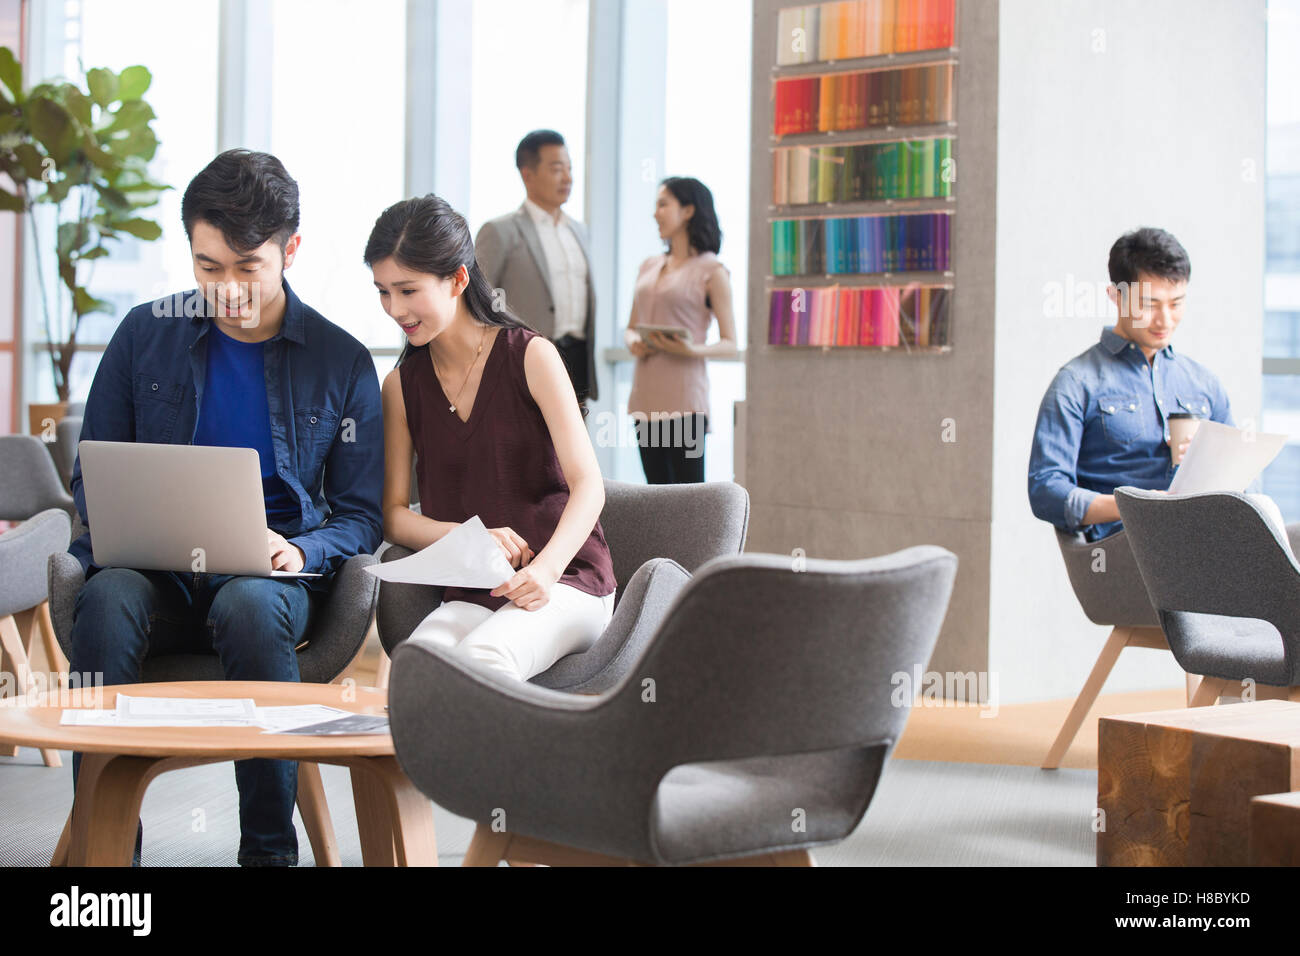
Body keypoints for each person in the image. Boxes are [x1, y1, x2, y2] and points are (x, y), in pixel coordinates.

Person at [67, 149, 384, 866]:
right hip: (155, 573)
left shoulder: (340, 360)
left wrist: (301, 551)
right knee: (107, 596)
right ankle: (104, 852)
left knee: (248, 602)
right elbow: (94, 472)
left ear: (290, 251)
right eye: (209, 268)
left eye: (249, 269)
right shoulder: (143, 335)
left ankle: (268, 853)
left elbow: (363, 516)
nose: (229, 290)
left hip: (270, 580)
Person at [370, 194, 617, 682]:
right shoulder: (401, 386)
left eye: (407, 290)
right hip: (476, 588)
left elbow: (590, 484)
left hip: (568, 581)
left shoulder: (531, 356)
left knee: (483, 663)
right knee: (411, 673)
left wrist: (543, 572)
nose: (394, 309)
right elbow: (395, 516)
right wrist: (466, 536)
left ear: (458, 279)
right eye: (382, 291)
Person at [1028, 226, 1239, 541]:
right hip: (1125, 547)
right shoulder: (1076, 383)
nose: (1164, 320)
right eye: (1150, 304)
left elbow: (1242, 478)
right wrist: (1136, 505)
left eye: (1176, 303)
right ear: (1115, 296)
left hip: (1201, 539)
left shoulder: (1202, 384)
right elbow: (1046, 491)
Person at [625, 176, 738, 483]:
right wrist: (635, 341)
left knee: (688, 500)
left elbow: (730, 342)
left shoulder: (711, 271)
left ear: (688, 211)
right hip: (645, 400)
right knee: (656, 495)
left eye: (663, 204)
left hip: (685, 402)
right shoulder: (648, 266)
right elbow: (631, 327)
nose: (655, 213)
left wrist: (690, 350)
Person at [474, 130, 599, 409]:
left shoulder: (579, 232)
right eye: (557, 169)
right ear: (527, 174)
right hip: (524, 361)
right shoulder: (500, 231)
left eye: (570, 168)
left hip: (577, 360)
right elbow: (477, 302)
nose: (568, 178)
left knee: (572, 450)